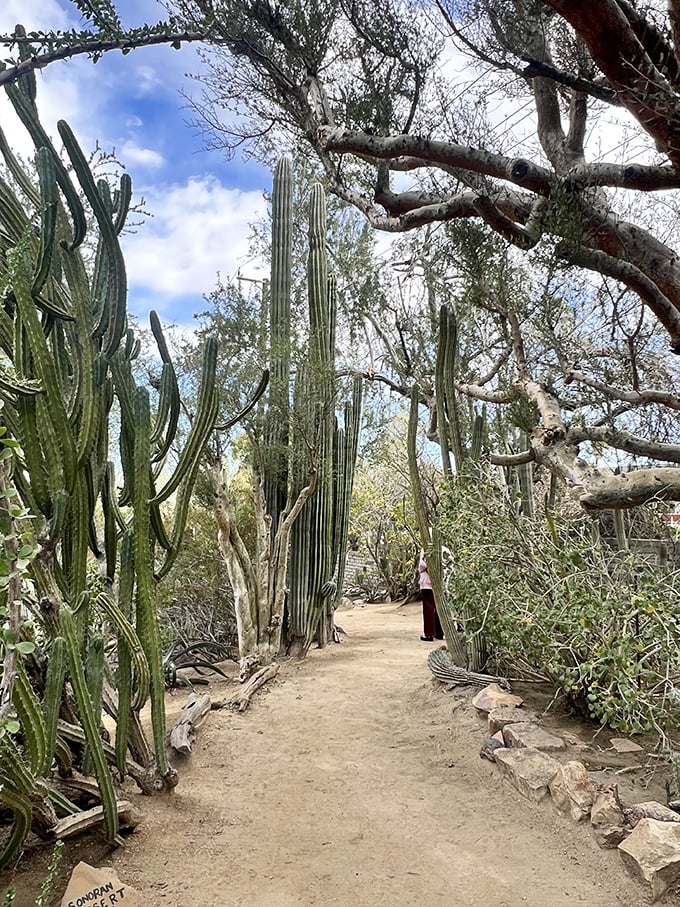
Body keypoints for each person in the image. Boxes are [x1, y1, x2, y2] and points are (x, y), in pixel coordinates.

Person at [418, 550, 444, 642]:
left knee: (428, 609)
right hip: (440, 583)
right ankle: (439, 633)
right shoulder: (445, 550)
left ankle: (429, 634)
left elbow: (422, 565)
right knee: (439, 608)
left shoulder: (425, 549)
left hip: (427, 584)